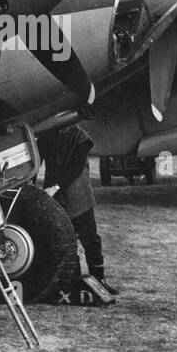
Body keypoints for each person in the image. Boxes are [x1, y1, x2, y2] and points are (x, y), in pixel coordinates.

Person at [38, 123, 117, 294]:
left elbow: (76, 167)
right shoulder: (47, 136)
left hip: (78, 197)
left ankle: (99, 281)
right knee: (68, 241)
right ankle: (74, 281)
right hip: (59, 197)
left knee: (90, 240)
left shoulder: (79, 137)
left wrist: (55, 187)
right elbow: (36, 163)